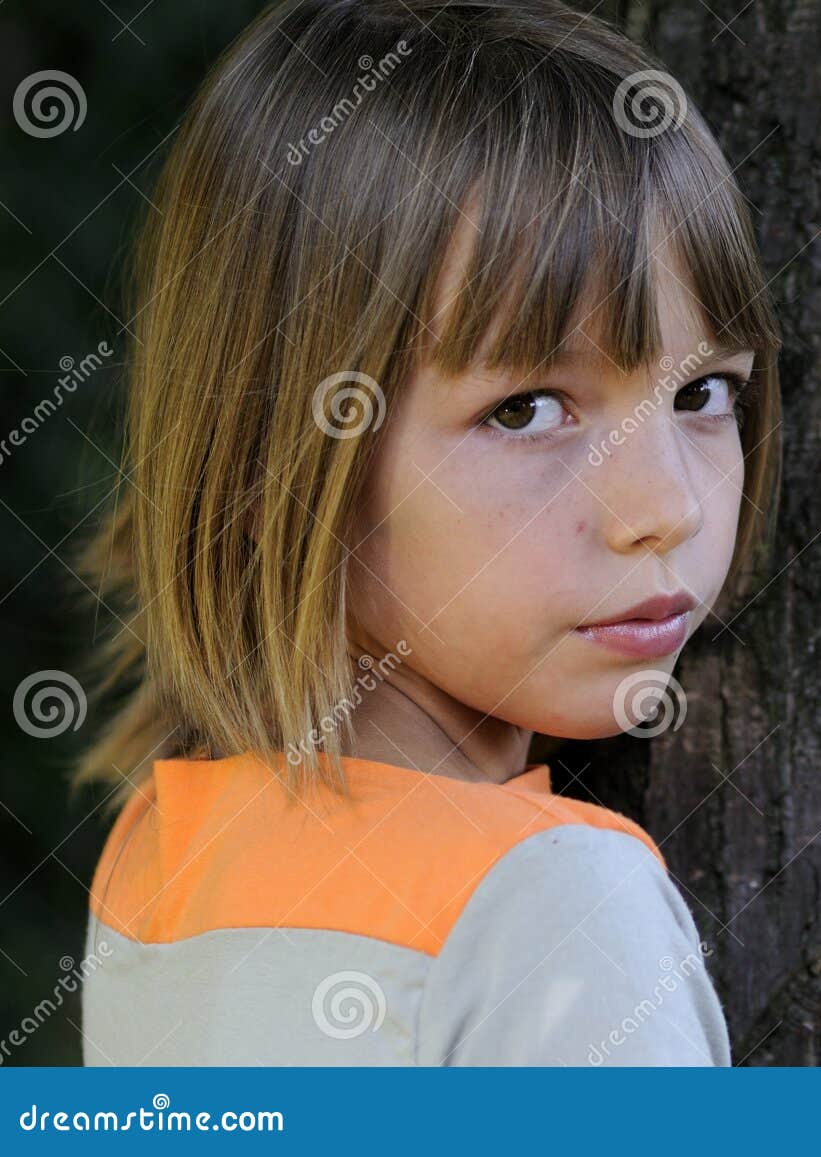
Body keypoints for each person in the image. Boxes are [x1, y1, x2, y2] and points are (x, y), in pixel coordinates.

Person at [73, 0, 781, 1066]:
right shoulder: (557, 905)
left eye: (704, 392)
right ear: (277, 456)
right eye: (526, 409)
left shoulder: (157, 863)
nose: (666, 507)